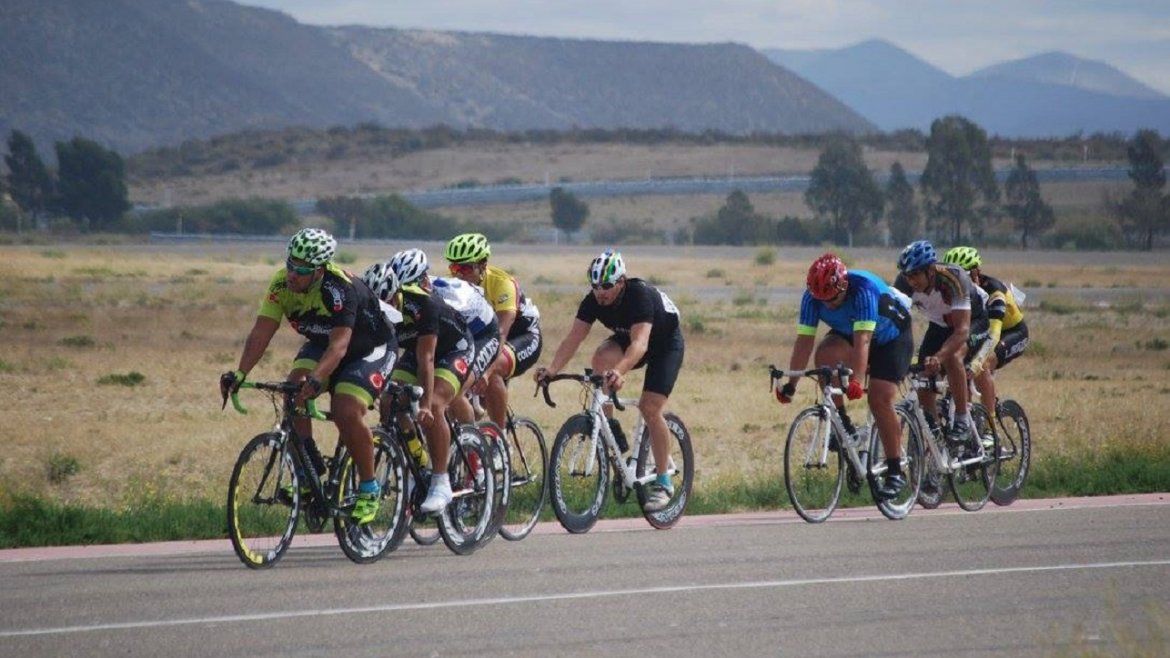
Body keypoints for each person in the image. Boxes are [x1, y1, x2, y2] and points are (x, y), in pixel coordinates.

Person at [219, 228, 395, 524]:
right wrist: (240, 373)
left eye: (301, 269)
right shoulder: (281, 284)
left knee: (346, 409)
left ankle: (368, 488)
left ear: (319, 270)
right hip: (322, 343)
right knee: (293, 388)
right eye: (290, 264)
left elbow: (340, 347)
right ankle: (308, 471)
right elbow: (262, 331)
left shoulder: (339, 289)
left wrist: (317, 380)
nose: (292, 273)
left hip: (368, 347)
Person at [534, 249, 684, 513]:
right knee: (601, 358)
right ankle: (611, 426)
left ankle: (663, 482)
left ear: (621, 282)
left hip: (663, 343)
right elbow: (573, 338)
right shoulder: (592, 301)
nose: (600, 292)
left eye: (606, 286)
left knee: (650, 407)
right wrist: (553, 369)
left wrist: (621, 371)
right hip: (631, 338)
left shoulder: (639, 296)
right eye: (595, 286)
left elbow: (640, 344)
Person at [774, 253, 914, 499]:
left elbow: (864, 341)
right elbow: (804, 342)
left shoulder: (862, 291)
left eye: (832, 299)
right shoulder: (813, 297)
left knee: (879, 398)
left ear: (843, 286)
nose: (827, 305)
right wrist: (791, 385)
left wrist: (858, 381)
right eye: (821, 300)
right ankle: (845, 426)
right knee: (825, 356)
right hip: (851, 330)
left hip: (891, 336)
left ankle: (895, 471)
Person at [379, 248, 477, 513]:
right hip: (417, 349)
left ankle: (440, 481)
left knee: (434, 405)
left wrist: (422, 405)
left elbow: (427, 359)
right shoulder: (383, 299)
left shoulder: (427, 304)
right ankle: (419, 462)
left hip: (454, 349)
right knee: (389, 400)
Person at [893, 240, 991, 457]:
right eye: (907, 275)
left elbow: (961, 331)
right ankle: (936, 438)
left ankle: (962, 419)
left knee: (952, 357)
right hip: (940, 325)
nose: (911, 281)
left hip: (973, 321)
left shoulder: (953, 279)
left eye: (915, 275)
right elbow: (893, 321)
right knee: (921, 374)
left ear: (930, 270)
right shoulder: (904, 283)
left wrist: (939, 356)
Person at [390, 248, 501, 427]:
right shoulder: (410, 295)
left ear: (423, 281)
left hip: (480, 334)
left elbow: (435, 352)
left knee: (451, 393)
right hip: (443, 336)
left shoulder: (442, 299)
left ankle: (473, 444)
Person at [443, 233, 543, 429]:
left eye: (464, 267)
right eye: (454, 267)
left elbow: (501, 332)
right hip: (485, 338)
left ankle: (500, 440)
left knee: (493, 369)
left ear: (482, 264)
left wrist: (486, 372)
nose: (458, 274)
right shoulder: (452, 286)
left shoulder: (502, 283)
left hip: (521, 335)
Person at [941, 246, 1029, 420]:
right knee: (959, 369)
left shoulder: (994, 291)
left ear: (976, 272)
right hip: (982, 331)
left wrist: (977, 362)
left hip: (1010, 332)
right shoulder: (952, 292)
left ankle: (990, 427)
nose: (957, 280)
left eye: (963, 275)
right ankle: (966, 420)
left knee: (982, 366)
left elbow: (994, 333)